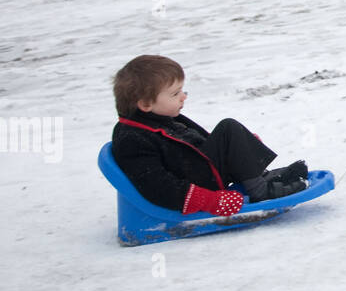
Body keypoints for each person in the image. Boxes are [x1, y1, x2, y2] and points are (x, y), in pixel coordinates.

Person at [111, 54, 307, 214]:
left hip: (199, 171)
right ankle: (260, 191)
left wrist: (238, 151)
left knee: (229, 132)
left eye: (182, 90)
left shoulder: (160, 116)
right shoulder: (132, 140)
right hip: (195, 186)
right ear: (145, 104)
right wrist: (209, 201)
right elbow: (158, 186)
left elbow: (196, 142)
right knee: (228, 127)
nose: (183, 97)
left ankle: (259, 177)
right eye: (175, 94)